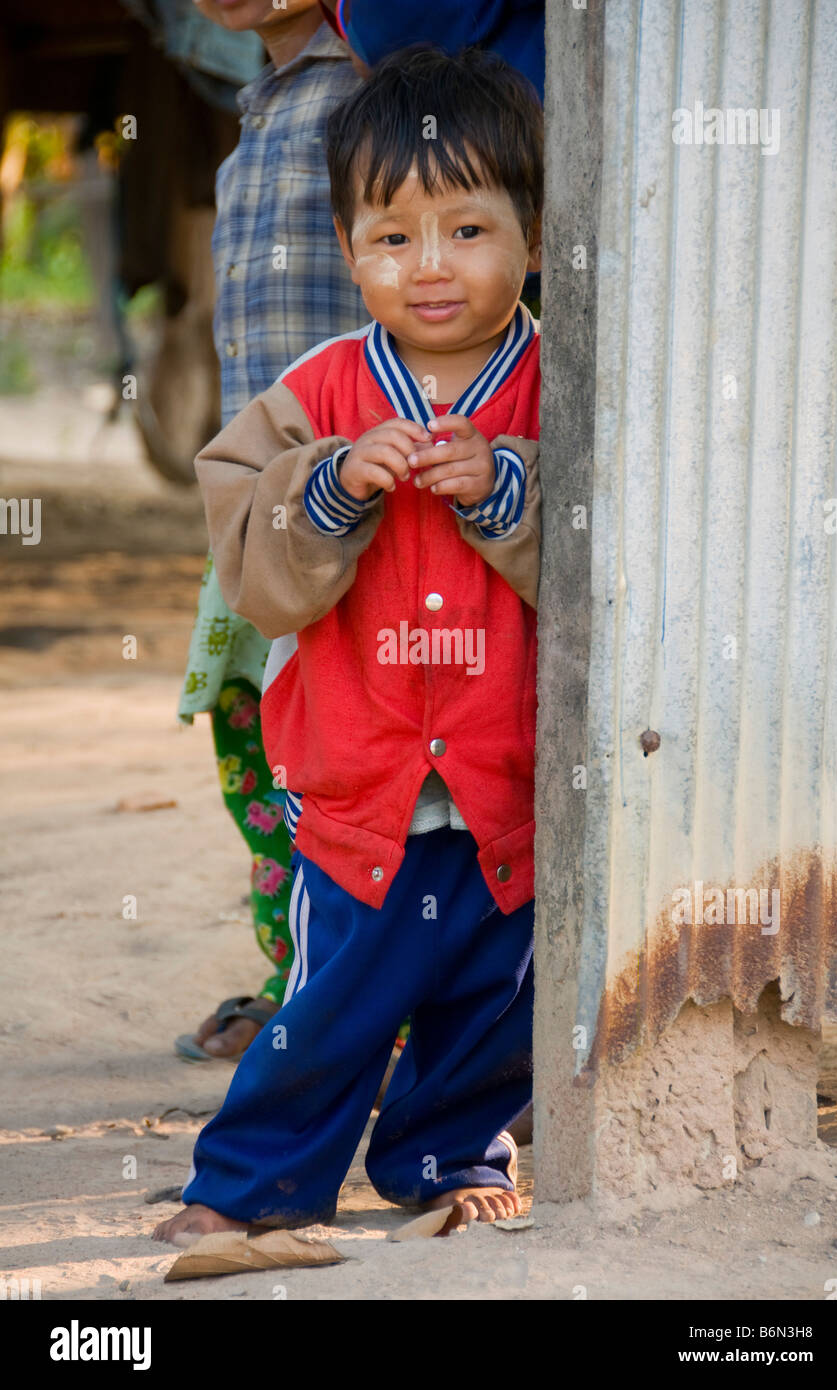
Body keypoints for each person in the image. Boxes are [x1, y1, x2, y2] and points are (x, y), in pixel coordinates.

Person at [155, 43, 542, 1241]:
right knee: (329, 1001)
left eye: (467, 230)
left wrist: (510, 486)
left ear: (532, 227)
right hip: (361, 771)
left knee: (494, 998)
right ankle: (253, 1190)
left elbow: (615, 549)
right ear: (346, 248)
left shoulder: (566, 391)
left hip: (505, 773)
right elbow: (245, 543)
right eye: (391, 237)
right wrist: (319, 489)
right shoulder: (314, 396)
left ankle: (446, 1161)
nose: (429, 268)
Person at [175, 0, 368, 1060]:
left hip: (354, 504)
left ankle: (359, 999)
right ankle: (295, 976)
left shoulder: (372, 87)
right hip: (257, 503)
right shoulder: (255, 108)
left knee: (348, 755)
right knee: (255, 740)